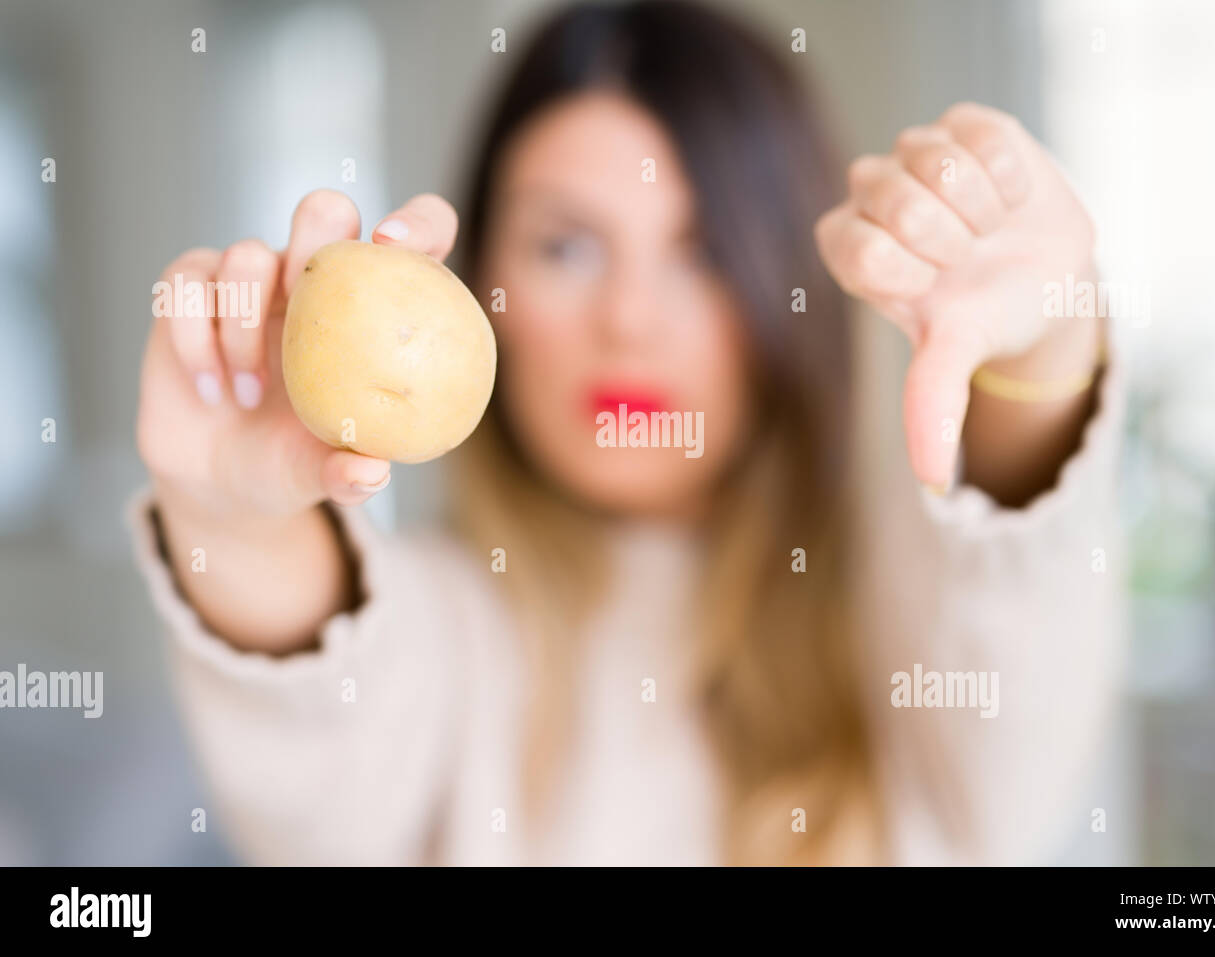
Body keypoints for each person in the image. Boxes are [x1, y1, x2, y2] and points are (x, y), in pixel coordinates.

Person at [128, 0, 1125, 865]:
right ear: (482, 288)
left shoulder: (901, 617)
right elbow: (325, 795)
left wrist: (1039, 358)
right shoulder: (442, 638)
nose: (630, 319)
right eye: (566, 246)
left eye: (699, 251)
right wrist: (239, 521)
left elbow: (1012, 636)